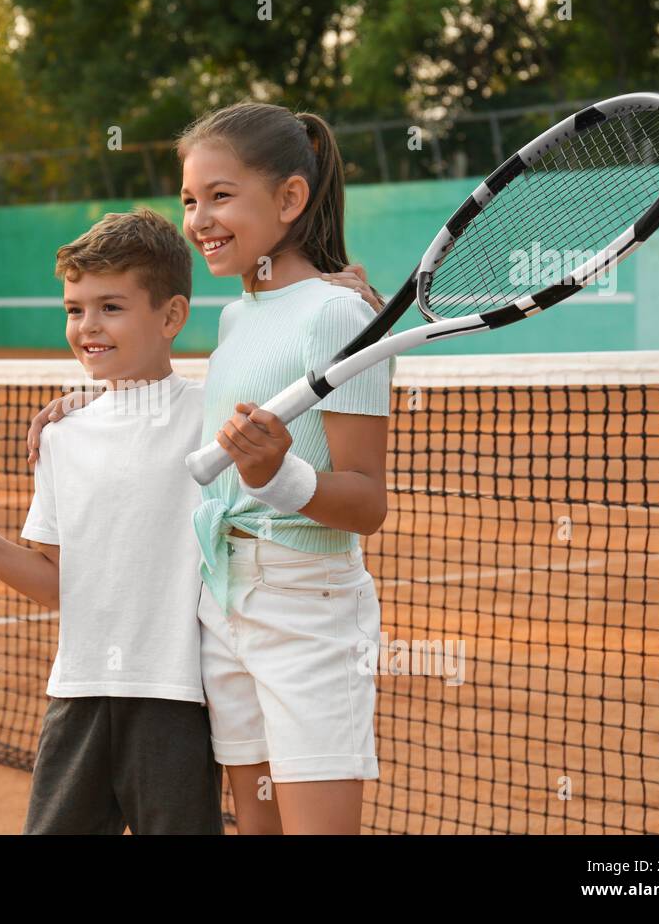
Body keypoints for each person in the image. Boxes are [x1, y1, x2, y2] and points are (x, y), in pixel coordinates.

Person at [30, 102, 391, 835]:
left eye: (221, 196)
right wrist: (92, 400)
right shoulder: (235, 318)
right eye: (191, 199)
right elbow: (190, 406)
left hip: (307, 611)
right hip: (223, 610)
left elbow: (367, 505)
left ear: (290, 198)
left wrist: (277, 476)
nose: (199, 218)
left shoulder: (338, 316)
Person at [0, 207, 223, 834]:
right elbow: (55, 579)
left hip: (176, 703)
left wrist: (342, 281)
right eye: (74, 308)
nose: (88, 326)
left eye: (111, 307)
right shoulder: (61, 437)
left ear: (171, 316)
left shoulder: (213, 410)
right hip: (78, 695)